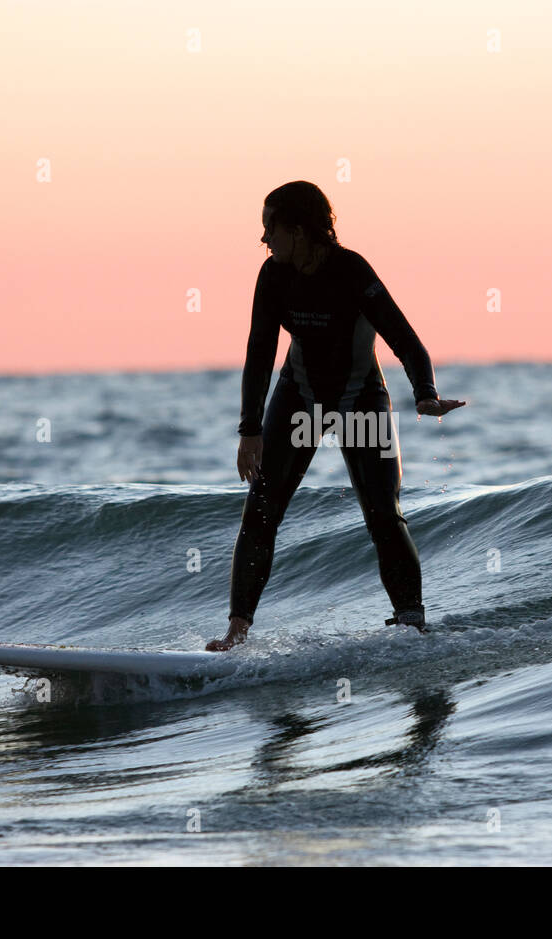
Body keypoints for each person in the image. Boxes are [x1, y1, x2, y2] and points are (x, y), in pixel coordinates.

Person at [207, 181, 465, 652]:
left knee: (384, 515)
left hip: (358, 399)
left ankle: (411, 625)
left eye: (270, 228)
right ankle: (236, 633)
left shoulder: (352, 271)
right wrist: (250, 429)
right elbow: (260, 350)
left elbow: (405, 340)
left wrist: (425, 393)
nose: (264, 240)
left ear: (300, 231)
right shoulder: (273, 276)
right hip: (299, 396)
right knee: (261, 511)